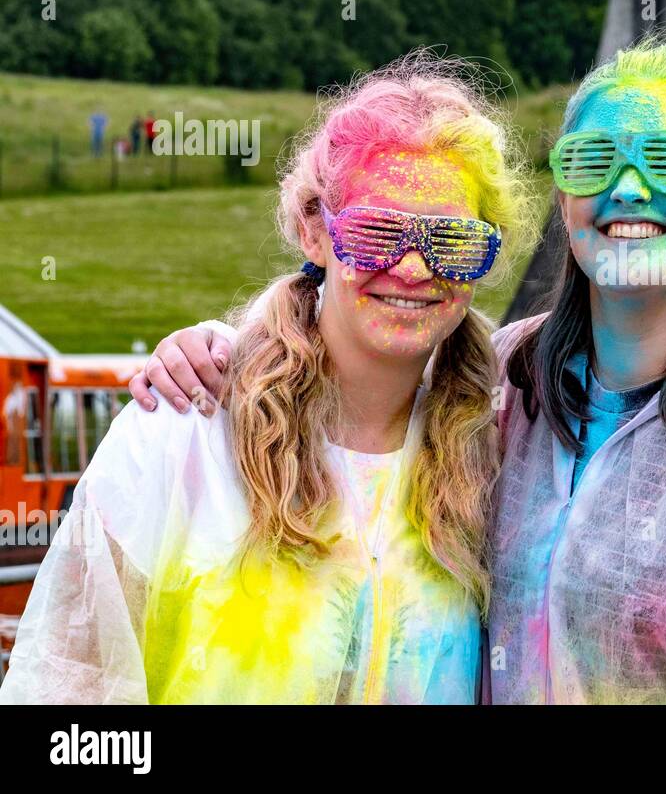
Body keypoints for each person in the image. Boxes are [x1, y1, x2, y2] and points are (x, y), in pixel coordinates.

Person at [127, 38, 666, 704]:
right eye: (594, 160)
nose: (628, 188)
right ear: (565, 200)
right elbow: (358, 350)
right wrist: (229, 346)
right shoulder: (499, 385)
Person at [0, 55, 535, 704]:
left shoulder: (500, 447)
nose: (415, 267)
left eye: (450, 241)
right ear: (316, 231)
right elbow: (65, 684)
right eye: (375, 232)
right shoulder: (183, 427)